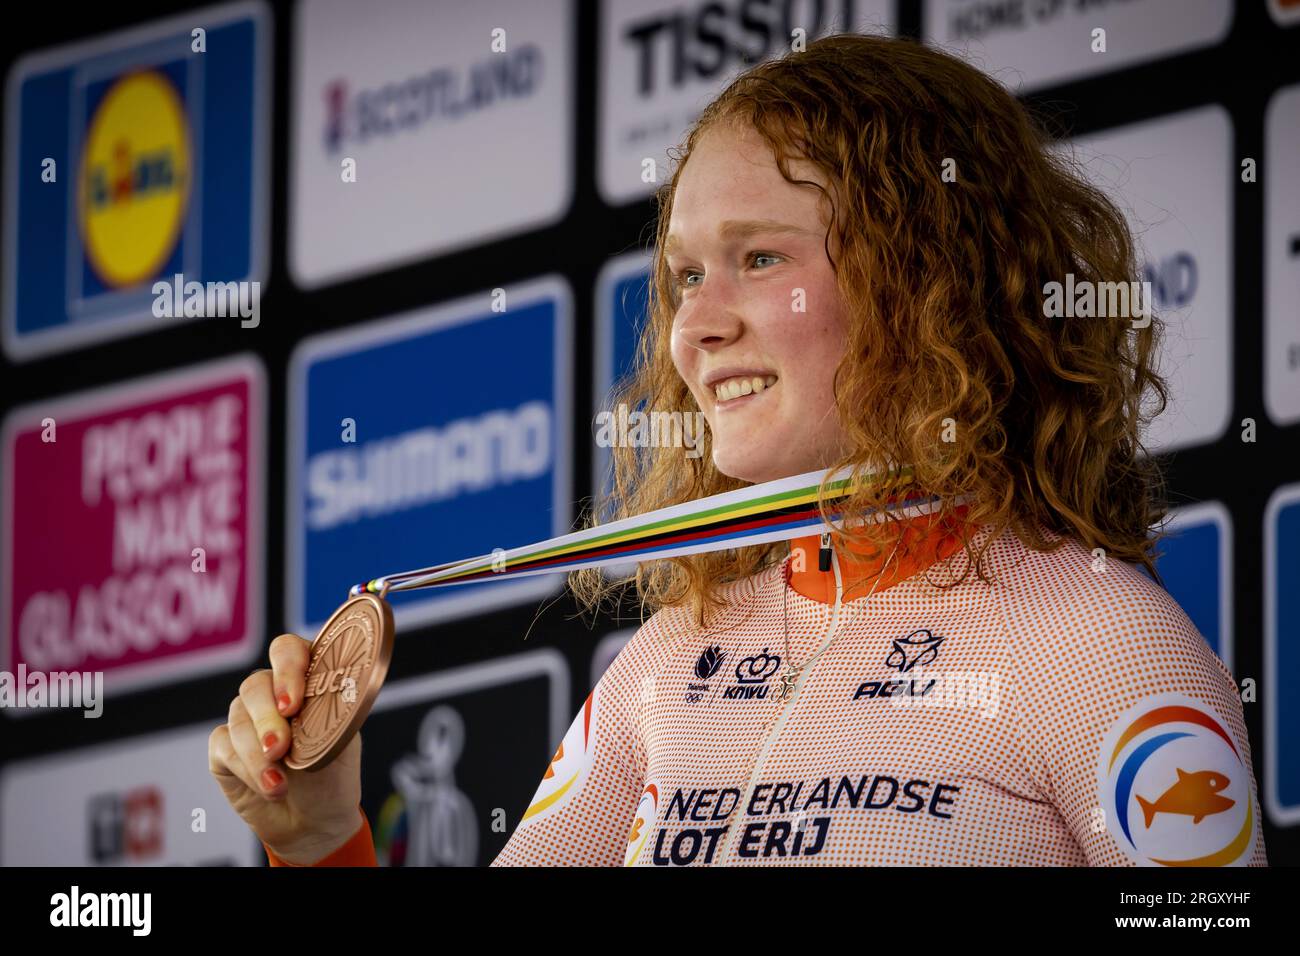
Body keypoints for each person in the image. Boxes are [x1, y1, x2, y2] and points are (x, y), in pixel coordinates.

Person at [209, 33, 1267, 866]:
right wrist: (320, 840)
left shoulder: (1100, 646)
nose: (693, 327)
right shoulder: (667, 662)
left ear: (928, 280)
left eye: (758, 258)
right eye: (683, 275)